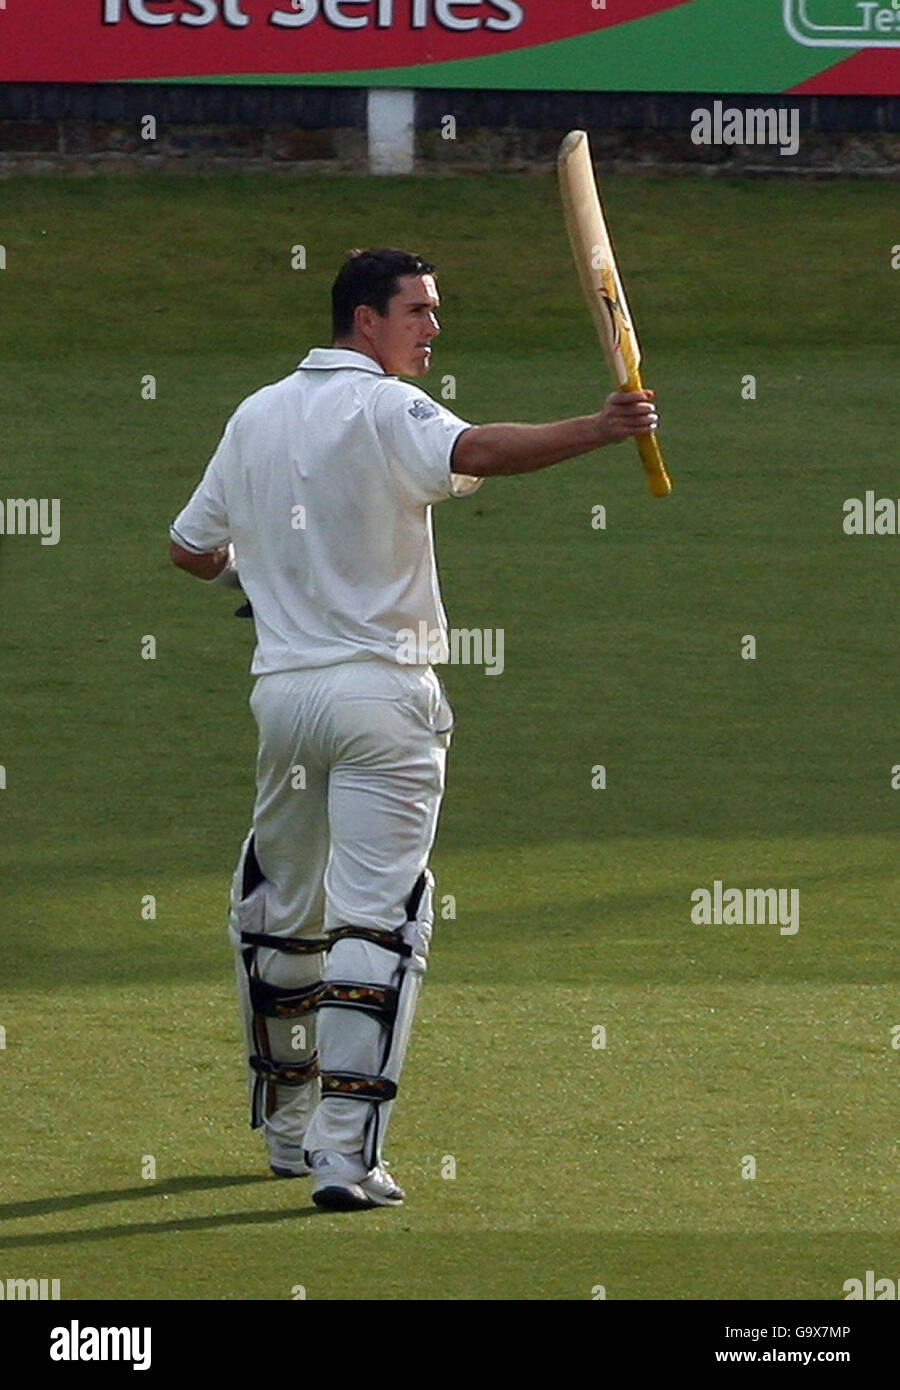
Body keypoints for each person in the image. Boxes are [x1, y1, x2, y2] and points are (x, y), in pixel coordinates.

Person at [169, 247, 658, 1212]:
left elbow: (190, 549)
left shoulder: (256, 411)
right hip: (383, 700)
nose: (434, 328)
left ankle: (285, 1130)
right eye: (419, 312)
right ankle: (345, 1162)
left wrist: (265, 578)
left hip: (284, 702)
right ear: (366, 320)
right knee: (377, 923)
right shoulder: (390, 407)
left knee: (280, 909)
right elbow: (477, 450)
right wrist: (599, 429)